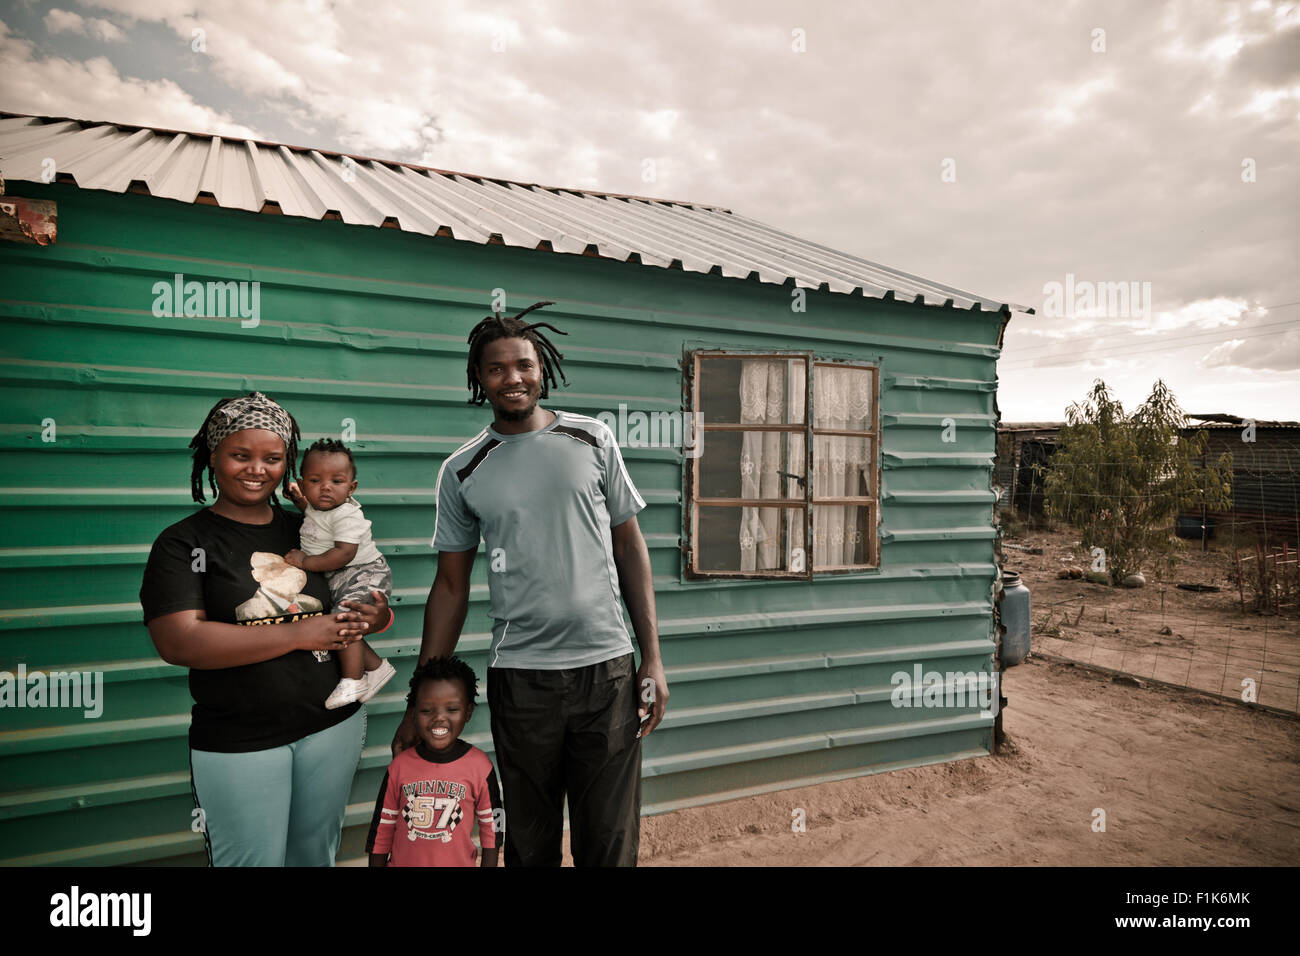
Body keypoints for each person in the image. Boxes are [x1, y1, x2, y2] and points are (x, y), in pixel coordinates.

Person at [391, 301, 669, 867]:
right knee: (531, 842)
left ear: (542, 368)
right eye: (496, 369)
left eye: (524, 365)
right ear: (479, 379)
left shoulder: (592, 439)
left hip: (608, 671)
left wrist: (653, 659)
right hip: (522, 677)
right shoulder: (464, 469)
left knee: (610, 843)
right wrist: (421, 694)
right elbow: (450, 587)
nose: (513, 378)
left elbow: (629, 547)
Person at [140, 391, 391, 867]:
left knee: (314, 858)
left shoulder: (311, 528)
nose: (257, 469)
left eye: (272, 458)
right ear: (213, 456)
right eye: (240, 455)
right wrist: (301, 633)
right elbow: (180, 641)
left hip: (332, 726)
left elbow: (360, 585)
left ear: (287, 463)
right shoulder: (183, 543)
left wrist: (377, 613)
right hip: (241, 740)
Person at [284, 438, 397, 709]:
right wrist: (299, 500)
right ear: (302, 483)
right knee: (343, 621)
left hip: (364, 573)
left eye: (336, 481)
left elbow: (344, 553)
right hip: (343, 575)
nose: (325, 488)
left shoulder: (347, 515)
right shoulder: (319, 507)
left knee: (343, 618)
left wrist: (305, 562)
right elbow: (314, 518)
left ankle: (353, 679)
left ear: (351, 487)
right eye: (314, 481)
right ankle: (376, 667)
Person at [366, 656, 501, 867]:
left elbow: (494, 825)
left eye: (452, 709)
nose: (439, 718)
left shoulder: (481, 767)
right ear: (413, 714)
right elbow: (381, 829)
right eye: (427, 710)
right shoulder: (399, 767)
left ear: (468, 712)